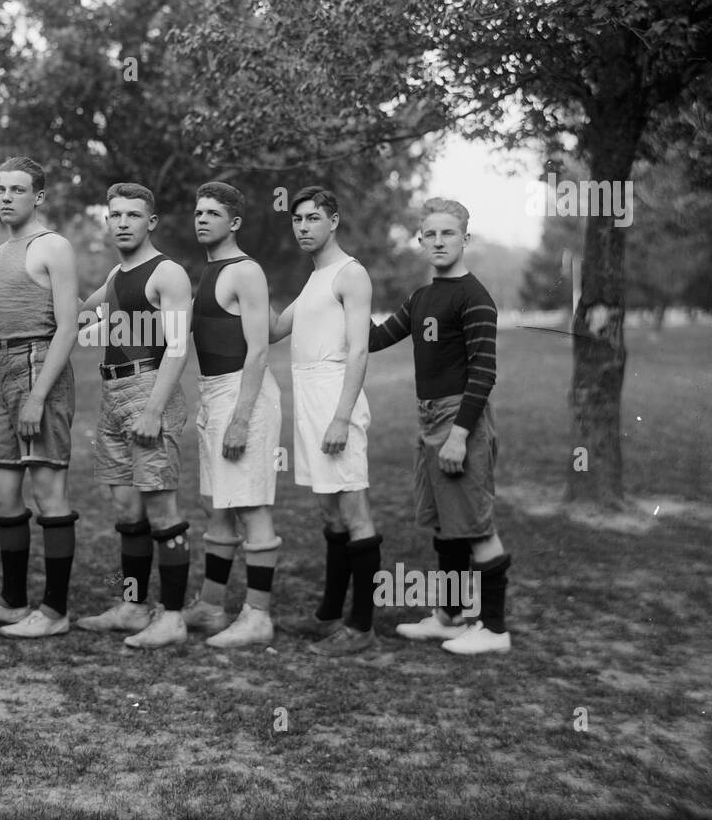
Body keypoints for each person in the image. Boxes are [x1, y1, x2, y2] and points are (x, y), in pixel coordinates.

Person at [368, 197, 512, 654]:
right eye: (429, 234)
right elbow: (376, 338)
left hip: (459, 420)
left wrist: (459, 434)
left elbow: (484, 373)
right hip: (427, 416)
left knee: (476, 526)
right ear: (420, 241)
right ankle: (450, 617)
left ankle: (493, 629)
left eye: (447, 233)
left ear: (465, 238)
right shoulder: (421, 297)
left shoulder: (474, 297)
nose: (438, 241)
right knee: (447, 526)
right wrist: (336, 306)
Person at [0, 156, 81, 639]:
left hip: (39, 366)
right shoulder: (0, 252)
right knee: (2, 490)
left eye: (17, 189)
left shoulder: (54, 247)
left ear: (38, 196)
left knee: (49, 492)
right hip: (0, 367)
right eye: (0, 189)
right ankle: (12, 600)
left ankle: (54, 612)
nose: (5, 197)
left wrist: (37, 398)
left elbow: (68, 327)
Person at [73, 183, 194, 648]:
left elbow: (178, 347)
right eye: (115, 215)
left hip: (149, 390)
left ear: (151, 222)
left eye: (132, 215)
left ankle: (175, 617)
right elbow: (81, 314)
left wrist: (154, 409)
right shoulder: (115, 276)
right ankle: (133, 606)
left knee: (162, 508)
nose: (122, 222)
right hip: (112, 390)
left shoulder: (168, 273)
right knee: (127, 508)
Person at [269, 187, 383, 656]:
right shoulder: (313, 280)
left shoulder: (350, 275)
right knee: (329, 513)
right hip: (309, 399)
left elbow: (359, 349)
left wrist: (341, 417)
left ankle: (361, 627)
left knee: (354, 511)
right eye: (297, 219)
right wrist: (233, 287)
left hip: (338, 399)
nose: (302, 226)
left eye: (313, 218)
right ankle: (329, 615)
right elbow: (274, 329)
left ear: (333, 221)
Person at [181, 182, 284, 648]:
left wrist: (241, 418)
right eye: (198, 212)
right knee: (217, 506)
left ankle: (258, 616)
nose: (201, 218)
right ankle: (210, 606)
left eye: (213, 213)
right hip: (212, 394)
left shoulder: (245, 271)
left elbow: (259, 351)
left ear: (234, 222)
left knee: (251, 506)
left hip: (244, 397)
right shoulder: (209, 270)